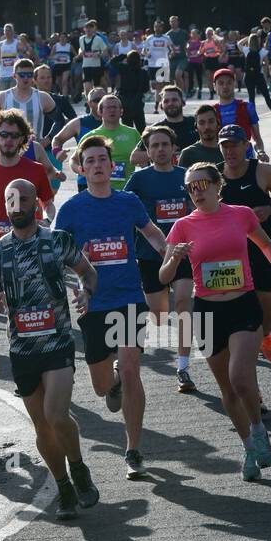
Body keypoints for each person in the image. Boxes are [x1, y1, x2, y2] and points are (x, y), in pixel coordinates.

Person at [0, 178, 100, 519]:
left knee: (57, 415)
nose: (17, 206)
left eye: (24, 199)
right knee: (42, 425)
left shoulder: (57, 241)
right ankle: (63, 488)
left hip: (57, 342)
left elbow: (89, 273)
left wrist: (86, 293)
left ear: (36, 204)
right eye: (11, 200)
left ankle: (79, 470)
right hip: (22, 348)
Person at [160, 164, 271, 480]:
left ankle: (259, 429)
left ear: (217, 186)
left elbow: (265, 245)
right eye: (190, 186)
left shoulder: (240, 214)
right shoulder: (181, 226)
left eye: (202, 183)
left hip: (243, 305)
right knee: (227, 390)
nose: (196, 190)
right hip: (207, 312)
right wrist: (174, 258)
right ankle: (250, 449)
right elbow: (163, 276)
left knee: (240, 378)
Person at [54, 134, 168, 480]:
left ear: (111, 164)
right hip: (94, 303)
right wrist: (70, 286)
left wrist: (170, 253)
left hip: (130, 297)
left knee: (132, 367)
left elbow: (151, 233)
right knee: (103, 384)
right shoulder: (72, 209)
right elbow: (57, 253)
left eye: (102, 159)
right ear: (81, 168)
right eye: (90, 161)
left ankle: (133, 450)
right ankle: (113, 382)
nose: (98, 165)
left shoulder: (128, 201)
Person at [124, 126, 196, 392]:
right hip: (149, 255)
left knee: (183, 302)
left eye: (165, 144)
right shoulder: (139, 179)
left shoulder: (186, 176)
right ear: (147, 150)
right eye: (154, 146)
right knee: (159, 313)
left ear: (174, 147)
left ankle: (183, 368)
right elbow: (127, 214)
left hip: (183, 252)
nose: (161, 149)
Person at [218, 125, 271, 362]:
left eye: (234, 145)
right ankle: (245, 362)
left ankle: (266, 334)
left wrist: (269, 209)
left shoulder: (263, 172)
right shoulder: (215, 178)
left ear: (246, 146)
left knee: (267, 319)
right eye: (224, 146)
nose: (229, 151)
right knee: (236, 320)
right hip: (230, 257)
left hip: (262, 252)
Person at [0, 110, 54, 236]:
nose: (9, 139)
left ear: (22, 139)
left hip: (33, 244)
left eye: (14, 135)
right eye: (4, 134)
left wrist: (47, 221)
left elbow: (49, 205)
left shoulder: (37, 169)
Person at [212, 68, 267, 158]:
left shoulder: (247, 107)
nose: (225, 86)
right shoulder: (211, 111)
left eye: (229, 82)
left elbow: (257, 138)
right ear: (214, 86)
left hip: (246, 159)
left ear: (235, 84)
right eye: (221, 83)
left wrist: (261, 152)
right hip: (222, 160)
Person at [179, 104, 224, 171]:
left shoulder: (227, 151)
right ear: (196, 127)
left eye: (211, 121)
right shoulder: (188, 154)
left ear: (218, 123)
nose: (207, 127)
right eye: (202, 123)